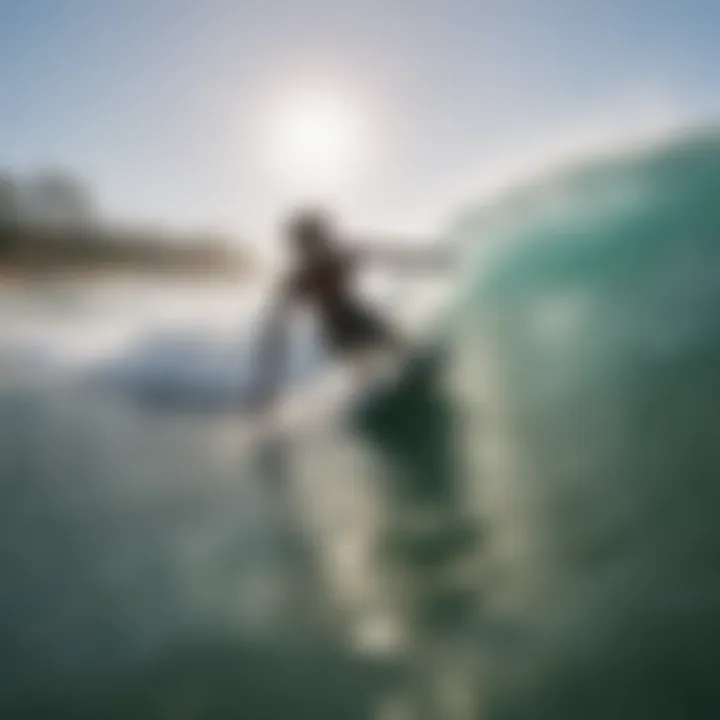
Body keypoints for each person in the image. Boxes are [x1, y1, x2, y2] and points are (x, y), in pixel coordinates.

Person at [250, 208, 449, 411]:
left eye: (318, 237)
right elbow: (277, 331)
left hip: (358, 313)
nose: (315, 245)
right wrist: (267, 386)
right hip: (336, 329)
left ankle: (418, 375)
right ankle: (381, 400)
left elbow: (389, 255)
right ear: (301, 246)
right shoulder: (298, 279)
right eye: (308, 241)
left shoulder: (341, 256)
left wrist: (428, 260)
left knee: (404, 349)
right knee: (366, 371)